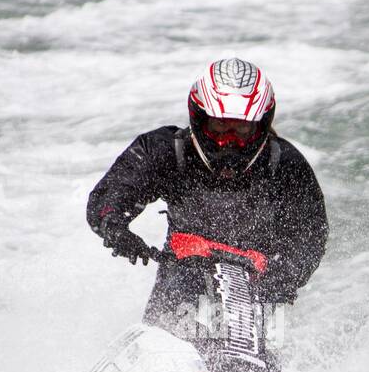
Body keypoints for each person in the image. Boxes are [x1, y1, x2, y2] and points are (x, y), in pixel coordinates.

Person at [86, 58, 327, 332]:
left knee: (254, 363)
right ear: (199, 119)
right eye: (220, 128)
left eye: (241, 130)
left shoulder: (286, 165)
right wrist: (116, 230)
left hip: (257, 293)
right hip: (180, 279)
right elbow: (107, 200)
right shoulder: (166, 151)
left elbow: (311, 236)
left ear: (261, 126)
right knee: (173, 320)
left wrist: (278, 277)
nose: (228, 143)